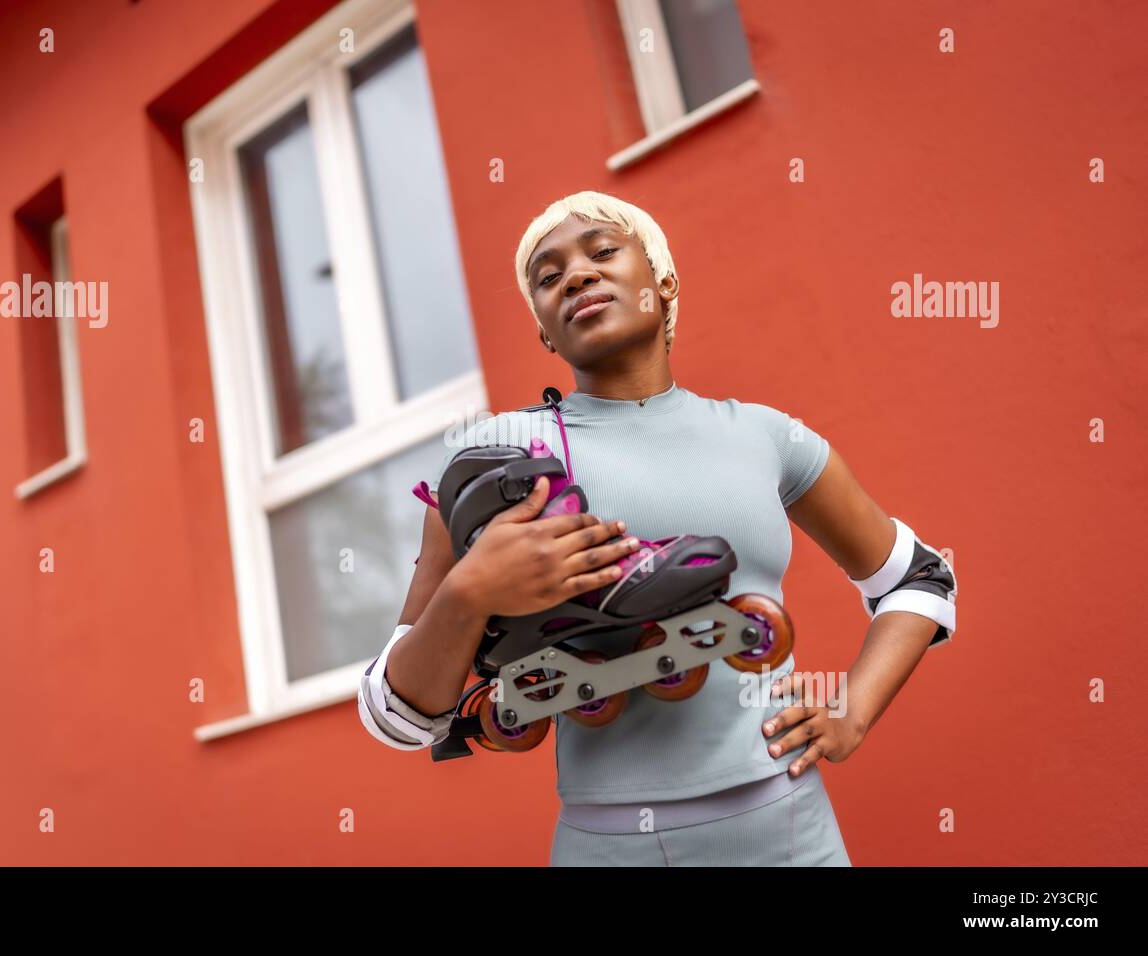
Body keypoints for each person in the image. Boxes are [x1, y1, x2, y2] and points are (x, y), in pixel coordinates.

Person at [357, 191, 958, 866]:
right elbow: (394, 712)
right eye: (548, 278)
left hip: (785, 827)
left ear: (664, 282)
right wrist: (468, 593)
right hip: (605, 844)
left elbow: (919, 577)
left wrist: (851, 712)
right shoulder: (496, 461)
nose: (577, 276)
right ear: (546, 335)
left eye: (604, 251)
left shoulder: (767, 437)